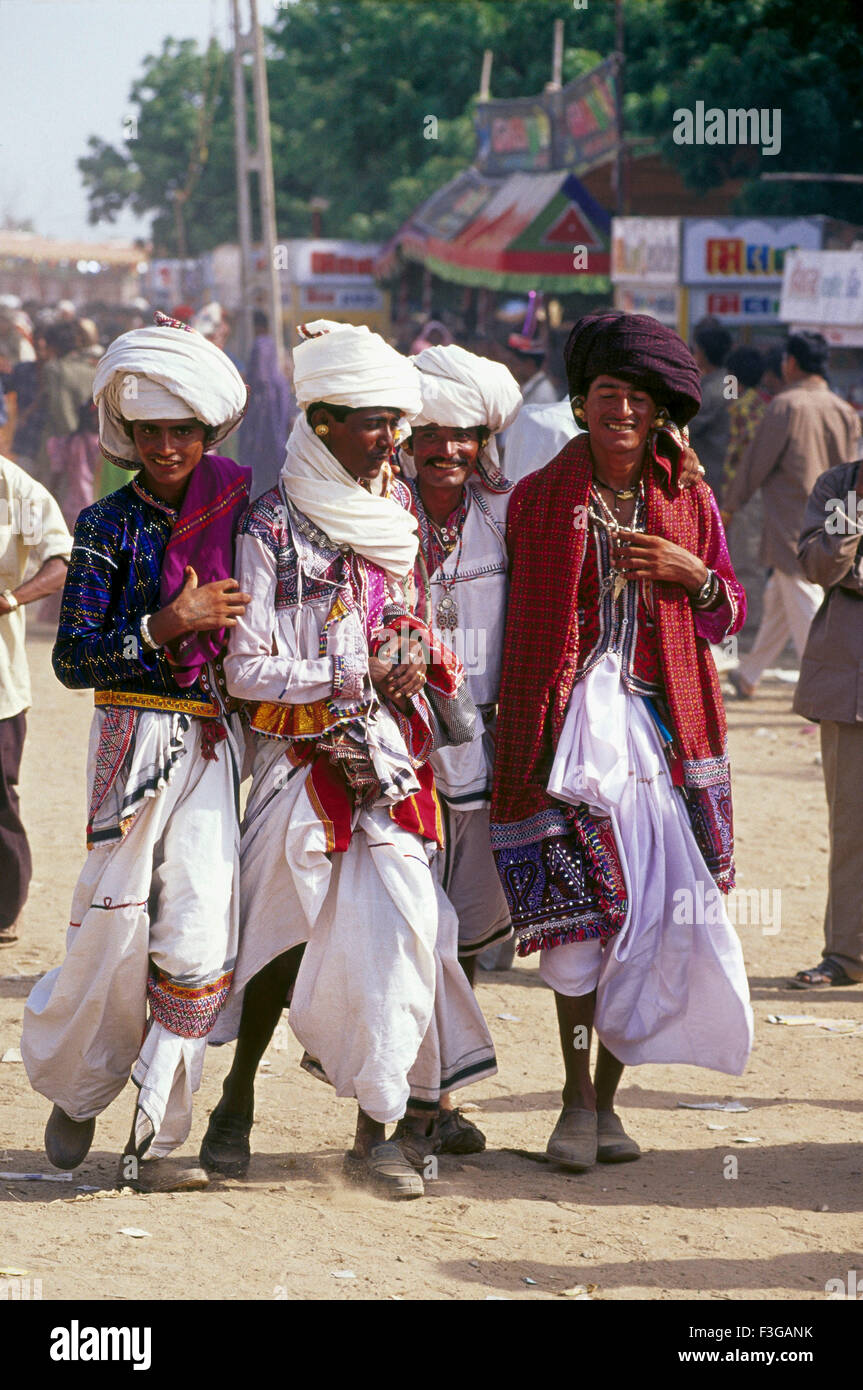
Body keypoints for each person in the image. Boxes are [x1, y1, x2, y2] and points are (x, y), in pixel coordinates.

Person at [200, 320, 495, 1200]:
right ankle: (237, 1101)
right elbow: (245, 668)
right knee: (278, 939)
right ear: (320, 420)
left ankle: (379, 1132)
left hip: (394, 769)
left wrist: (410, 645)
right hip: (297, 762)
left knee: (405, 939)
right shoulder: (266, 528)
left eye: (395, 421)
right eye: (372, 421)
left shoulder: (396, 511)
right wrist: (349, 668)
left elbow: (407, 614)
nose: (392, 438)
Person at [490, 311, 753, 1171]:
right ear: (579, 404)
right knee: (580, 928)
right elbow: (509, 634)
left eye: (638, 399)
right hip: (562, 737)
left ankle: (605, 1104)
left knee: (649, 921)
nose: (623, 413)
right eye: (608, 396)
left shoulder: (690, 500)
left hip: (665, 738)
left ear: (661, 411)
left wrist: (694, 573)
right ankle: (570, 1105)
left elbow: (727, 616)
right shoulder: (538, 499)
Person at [21, 312, 252, 1193]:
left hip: (213, 742)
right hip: (130, 738)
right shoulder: (104, 524)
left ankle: (156, 1140)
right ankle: (80, 1089)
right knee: (114, 925)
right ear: (129, 436)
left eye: (181, 431)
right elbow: (73, 659)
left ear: (207, 431)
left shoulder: (238, 509)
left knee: (195, 937)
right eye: (150, 432)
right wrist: (166, 624)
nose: (166, 447)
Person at [393, 342, 521, 1163]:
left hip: (483, 744)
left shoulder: (506, 515)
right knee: (407, 924)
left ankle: (436, 1097)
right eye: (430, 433)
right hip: (395, 744)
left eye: (463, 434)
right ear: (405, 438)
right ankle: (401, 1102)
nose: (447, 449)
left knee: (470, 931)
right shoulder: (376, 515)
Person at [724, 332, 862, 699]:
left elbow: (755, 463)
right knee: (780, 603)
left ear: (791, 363)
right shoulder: (844, 410)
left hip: (792, 522)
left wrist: (730, 505)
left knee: (804, 608)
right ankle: (750, 673)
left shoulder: (785, 406)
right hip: (834, 520)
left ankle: (828, 687)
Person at [788, 458, 863, 989]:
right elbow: (818, 568)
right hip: (849, 677)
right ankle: (847, 954)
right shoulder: (840, 486)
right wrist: (852, 515)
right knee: (853, 824)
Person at [0, 456, 72, 946]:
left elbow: (61, 559)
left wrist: (11, 599)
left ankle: (5, 907)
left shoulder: (14, 489)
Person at [239, 310, 296, 498]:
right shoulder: (280, 384)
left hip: (264, 411)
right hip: (274, 405)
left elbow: (260, 376)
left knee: (262, 451)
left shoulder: (260, 344)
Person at [688, 317, 732, 495]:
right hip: (727, 464)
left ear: (703, 353)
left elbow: (689, 427)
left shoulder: (708, 390)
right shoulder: (731, 380)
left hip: (711, 467)